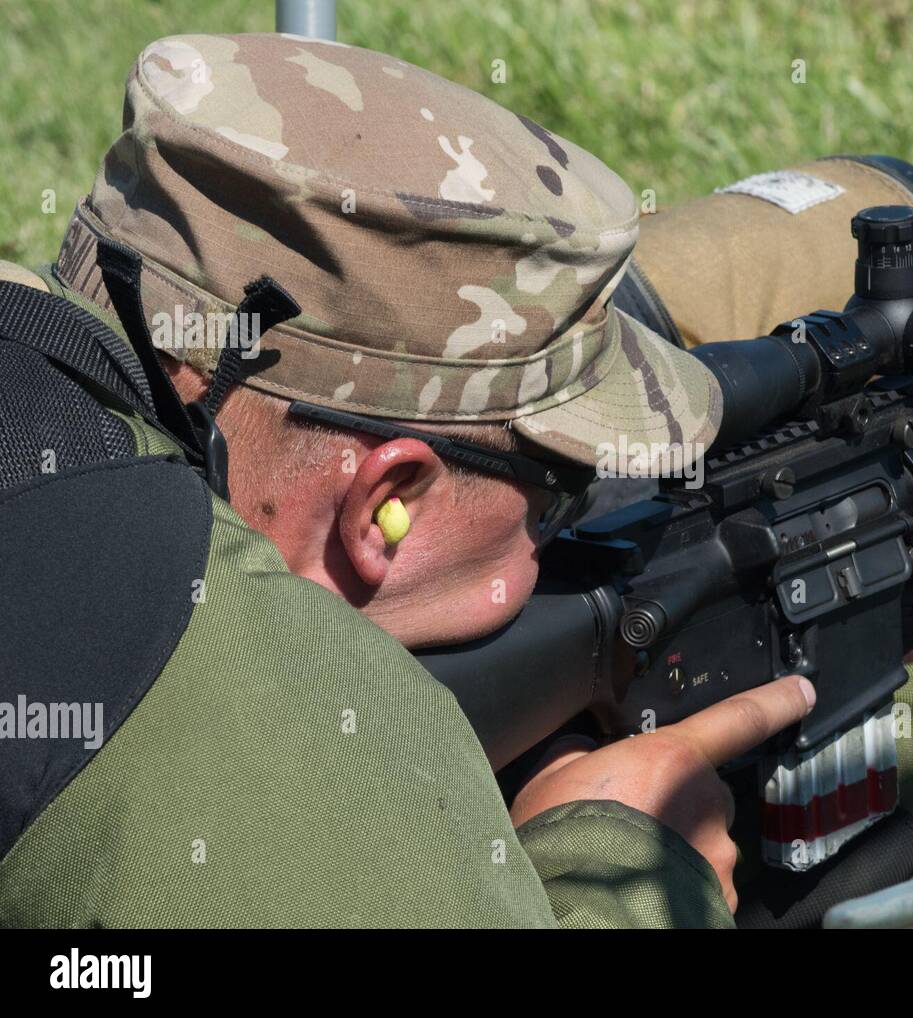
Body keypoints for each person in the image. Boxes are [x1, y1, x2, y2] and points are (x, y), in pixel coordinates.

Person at [0, 31, 819, 928]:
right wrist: (622, 866)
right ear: (386, 508)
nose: (570, 528)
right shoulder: (265, 723)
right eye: (562, 497)